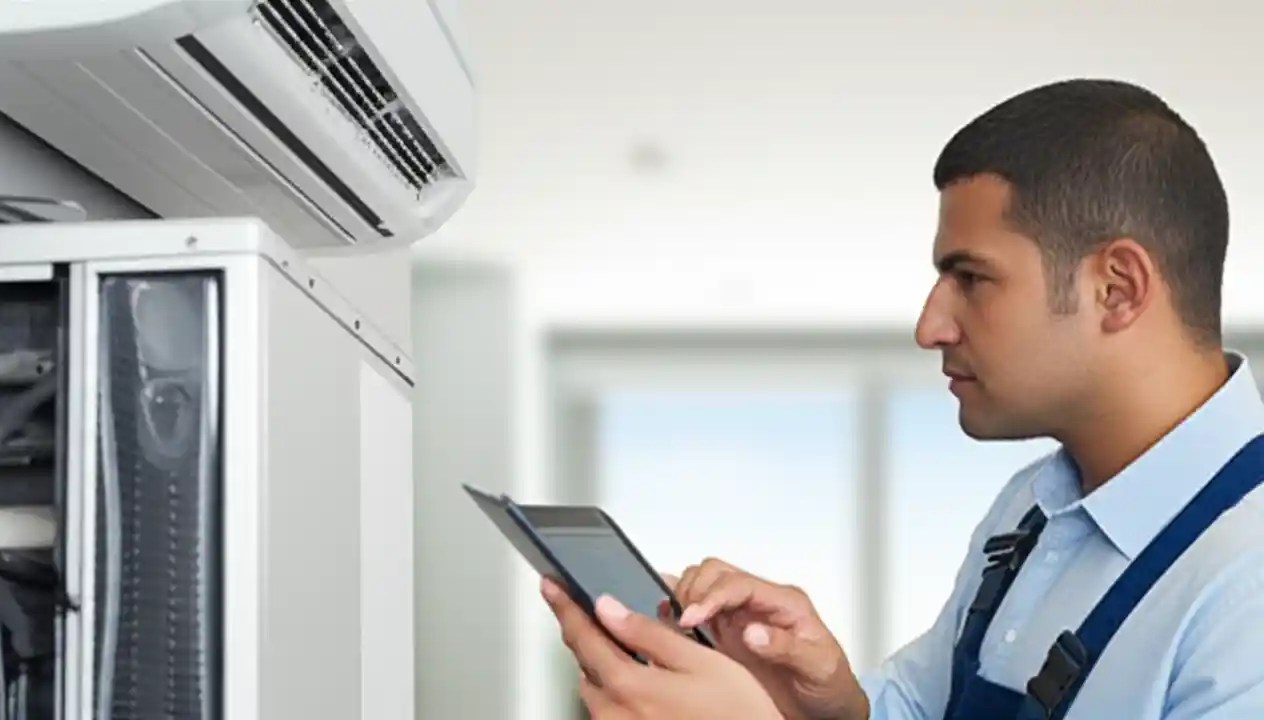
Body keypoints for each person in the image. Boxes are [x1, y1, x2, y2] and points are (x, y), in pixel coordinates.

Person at [540, 77, 1264, 719]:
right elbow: (927, 705)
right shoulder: (1030, 511)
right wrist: (833, 704)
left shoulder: (1246, 582)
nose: (929, 326)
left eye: (971, 278)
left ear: (1117, 289)